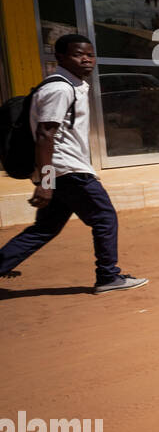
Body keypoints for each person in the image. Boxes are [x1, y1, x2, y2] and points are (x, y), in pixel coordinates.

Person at [0, 35, 148, 293]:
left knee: (45, 228)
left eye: (90, 54)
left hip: (61, 170)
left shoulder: (71, 85)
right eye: (79, 54)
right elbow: (45, 134)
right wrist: (45, 183)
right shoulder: (59, 89)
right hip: (67, 170)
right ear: (59, 57)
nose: (87, 59)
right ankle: (107, 276)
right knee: (104, 217)